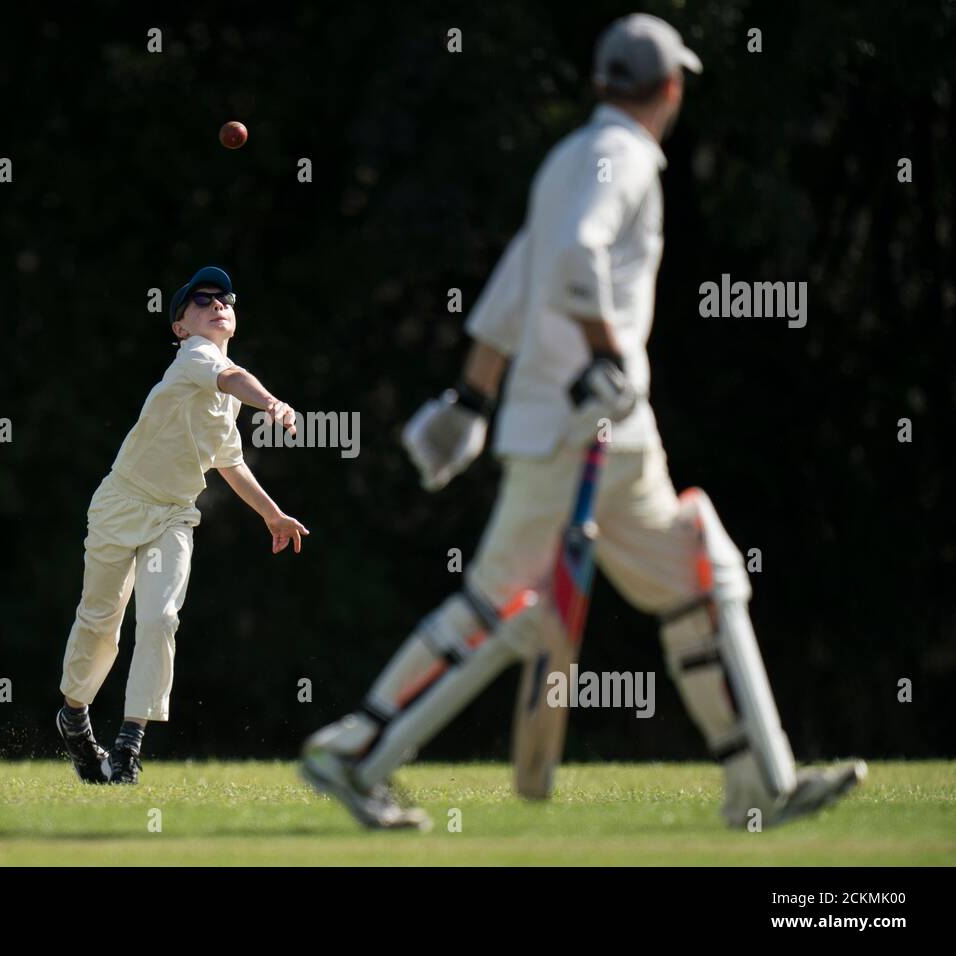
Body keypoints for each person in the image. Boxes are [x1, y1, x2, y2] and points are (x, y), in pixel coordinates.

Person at [300, 14, 864, 829]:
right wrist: (604, 355)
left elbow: (516, 279)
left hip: (597, 426)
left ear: (604, 81)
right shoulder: (624, 159)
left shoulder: (569, 158)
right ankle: (354, 751)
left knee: (696, 577)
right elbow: (568, 260)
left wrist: (471, 396)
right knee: (505, 603)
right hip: (583, 421)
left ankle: (759, 784)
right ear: (670, 88)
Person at [57, 266, 309, 783]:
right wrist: (272, 402)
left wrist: (273, 515)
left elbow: (230, 463)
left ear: (234, 319)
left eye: (226, 300)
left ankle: (128, 748)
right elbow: (233, 379)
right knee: (101, 622)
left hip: (172, 515)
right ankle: (75, 719)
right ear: (180, 327)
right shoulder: (196, 358)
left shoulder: (219, 392)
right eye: (202, 301)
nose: (217, 305)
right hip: (121, 504)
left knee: (160, 620)